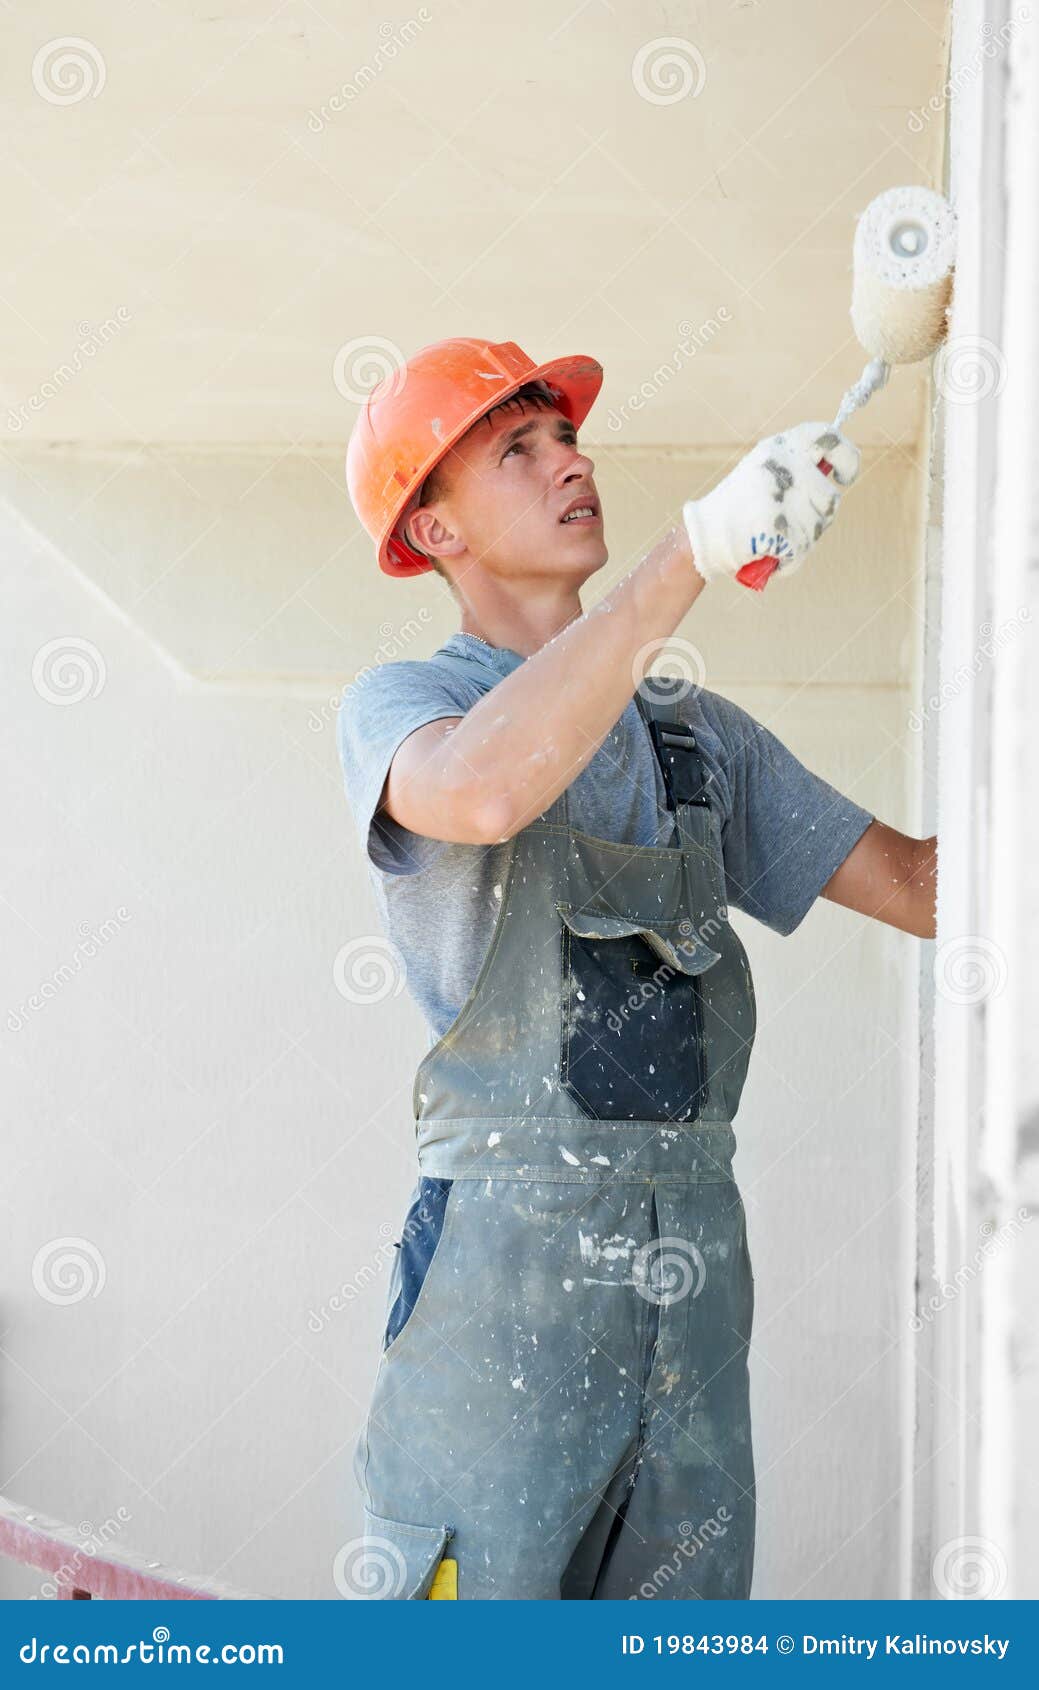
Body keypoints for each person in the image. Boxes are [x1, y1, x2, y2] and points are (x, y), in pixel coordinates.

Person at [337, 337, 937, 1601]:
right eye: (520, 448)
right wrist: (686, 559)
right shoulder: (406, 707)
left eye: (567, 437)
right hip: (503, 1282)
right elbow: (487, 791)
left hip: (696, 1280)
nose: (572, 460)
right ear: (434, 533)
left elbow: (931, 892)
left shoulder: (697, 741)